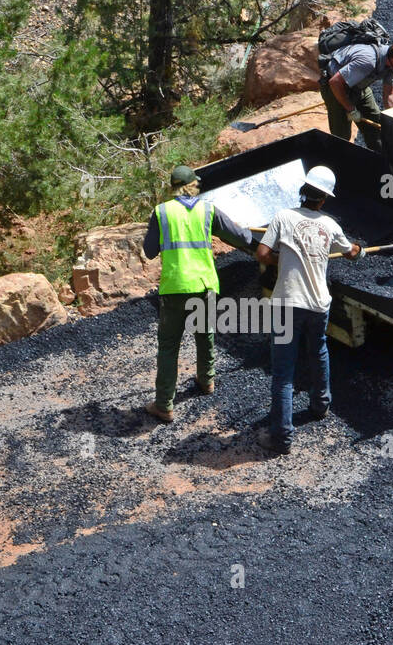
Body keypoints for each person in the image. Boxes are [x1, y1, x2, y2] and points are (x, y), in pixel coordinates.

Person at [253, 166, 360, 454]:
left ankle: (282, 439)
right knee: (319, 350)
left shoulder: (283, 217)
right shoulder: (330, 224)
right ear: (324, 198)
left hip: (288, 303)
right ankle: (320, 405)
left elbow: (262, 254)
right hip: (317, 303)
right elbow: (350, 253)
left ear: (303, 191)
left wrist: (286, 259)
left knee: (283, 373)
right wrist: (358, 249)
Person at [143, 165, 253, 423]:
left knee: (169, 346)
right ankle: (206, 381)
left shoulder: (161, 213)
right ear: (193, 185)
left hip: (176, 288)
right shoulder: (208, 209)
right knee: (205, 335)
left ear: (173, 187)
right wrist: (245, 230)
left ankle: (164, 405)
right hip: (204, 285)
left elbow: (149, 252)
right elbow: (241, 238)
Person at [320, 39, 393, 154]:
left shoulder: (391, 65)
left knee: (377, 126)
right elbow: (334, 82)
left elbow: (389, 93)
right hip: (336, 89)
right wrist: (350, 109)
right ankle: (339, 162)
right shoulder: (367, 61)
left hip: (358, 86)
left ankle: (380, 159)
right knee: (342, 137)